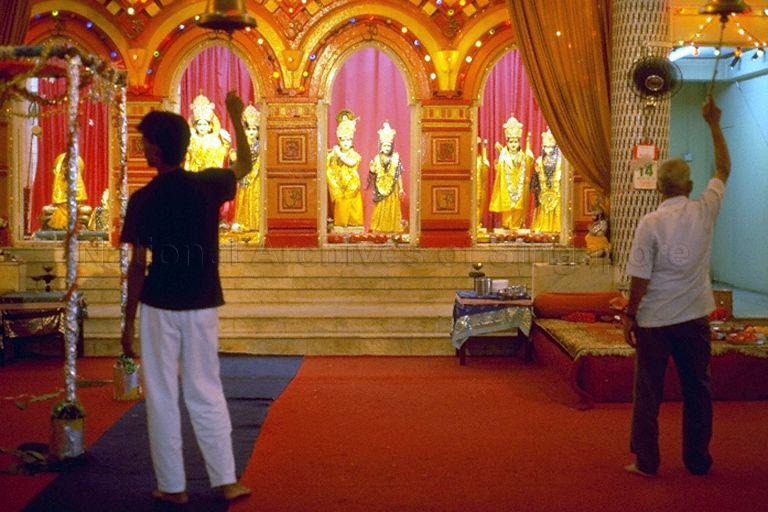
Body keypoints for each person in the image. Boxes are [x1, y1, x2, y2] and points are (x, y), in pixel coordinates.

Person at [120, 91, 253, 504]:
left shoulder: (143, 200)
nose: (144, 149)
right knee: (206, 389)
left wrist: (127, 323)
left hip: (159, 304)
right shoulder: (208, 185)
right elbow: (245, 165)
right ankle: (226, 480)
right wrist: (236, 116)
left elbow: (137, 266)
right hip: (201, 301)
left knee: (161, 396)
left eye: (146, 144)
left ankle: (172, 487)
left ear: (157, 151)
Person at [622, 95, 729, 478]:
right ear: (690, 186)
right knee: (697, 390)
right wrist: (713, 124)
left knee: (648, 393)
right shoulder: (705, 210)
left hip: (654, 322)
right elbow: (724, 168)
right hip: (695, 319)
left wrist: (630, 315)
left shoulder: (650, 223)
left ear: (658, 188)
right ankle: (697, 459)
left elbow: (640, 277)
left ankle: (647, 461)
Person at [488, 115, 532, 230]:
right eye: (511, 141)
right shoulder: (503, 155)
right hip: (506, 186)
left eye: (516, 142)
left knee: (518, 207)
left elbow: (528, 166)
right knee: (507, 207)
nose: (513, 144)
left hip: (519, 186)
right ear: (507, 142)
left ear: (519, 142)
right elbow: (499, 169)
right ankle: (506, 225)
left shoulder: (522, 156)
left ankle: (517, 225)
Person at [326, 110, 364, 229]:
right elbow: (327, 164)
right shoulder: (334, 154)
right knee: (341, 204)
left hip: (352, 185)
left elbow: (351, 163)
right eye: (343, 140)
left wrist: (339, 154)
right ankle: (340, 224)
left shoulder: (353, 154)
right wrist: (331, 154)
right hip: (340, 185)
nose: (346, 143)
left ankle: (355, 224)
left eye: (348, 140)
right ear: (339, 140)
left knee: (353, 205)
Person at [368, 122, 405, 233]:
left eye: (389, 145)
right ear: (381, 146)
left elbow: (398, 175)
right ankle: (380, 228)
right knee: (381, 206)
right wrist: (371, 170)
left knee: (392, 206)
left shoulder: (396, 158)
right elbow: (372, 175)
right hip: (380, 188)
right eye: (384, 145)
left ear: (392, 146)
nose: (387, 148)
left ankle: (392, 228)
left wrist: (401, 188)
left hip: (393, 188)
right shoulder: (376, 158)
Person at [231, 104, 261, 233]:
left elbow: (261, 160)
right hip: (244, 175)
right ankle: (243, 222)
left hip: (256, 175)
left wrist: (252, 173)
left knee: (254, 197)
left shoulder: (261, 145)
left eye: (254, 129)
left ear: (258, 131)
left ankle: (256, 223)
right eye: (249, 129)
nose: (251, 132)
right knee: (243, 197)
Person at [184, 92, 231, 172]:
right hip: (193, 174)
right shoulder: (191, 140)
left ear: (210, 127)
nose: (202, 127)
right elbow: (187, 161)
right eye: (199, 124)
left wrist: (226, 144)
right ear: (195, 126)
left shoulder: (214, 140)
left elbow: (221, 157)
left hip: (210, 175)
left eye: (205, 124)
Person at [531, 129, 562, 233]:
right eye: (546, 147)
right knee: (543, 207)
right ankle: (543, 227)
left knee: (557, 207)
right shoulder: (539, 160)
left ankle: (556, 227)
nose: (548, 150)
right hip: (543, 191)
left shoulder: (560, 161)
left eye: (551, 147)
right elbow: (535, 178)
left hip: (556, 191)